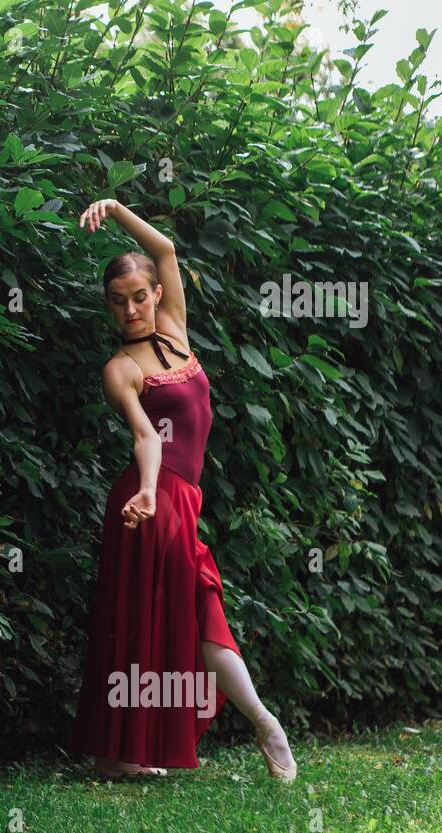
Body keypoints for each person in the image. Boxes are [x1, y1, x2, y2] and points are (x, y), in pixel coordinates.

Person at [66, 198, 298, 783]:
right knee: (198, 613)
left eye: (139, 296)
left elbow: (165, 249)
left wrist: (115, 207)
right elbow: (146, 435)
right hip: (151, 502)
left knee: (158, 623)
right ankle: (266, 724)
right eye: (117, 302)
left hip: (178, 501)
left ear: (157, 295)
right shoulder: (121, 367)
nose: (131, 309)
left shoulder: (175, 332)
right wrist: (145, 491)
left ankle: (119, 756)